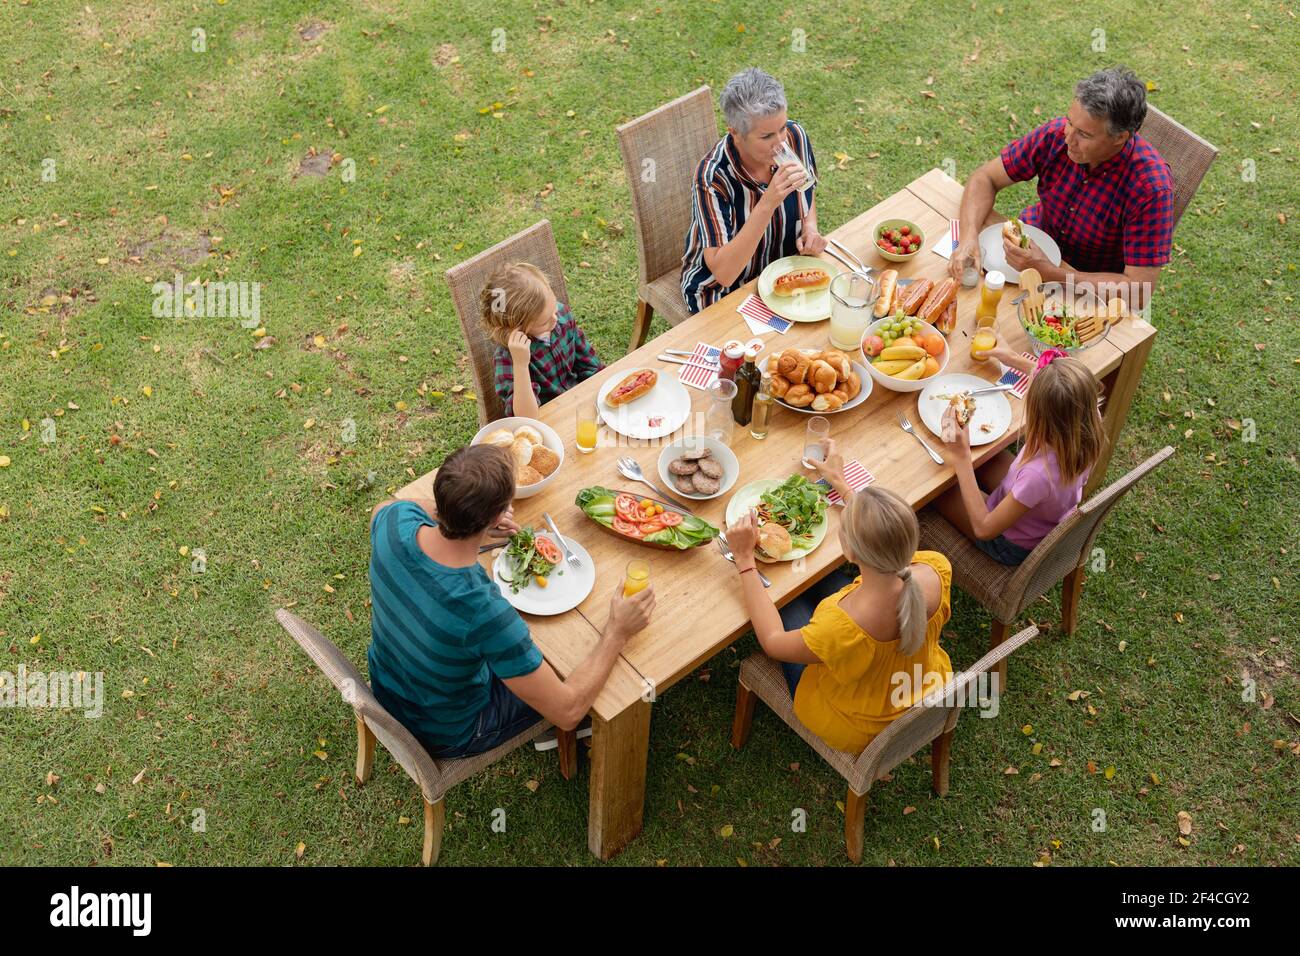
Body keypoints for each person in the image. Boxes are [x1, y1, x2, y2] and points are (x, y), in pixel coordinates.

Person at [366, 443, 654, 757]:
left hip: (388, 685)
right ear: (497, 515)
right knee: (567, 657)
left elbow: (379, 510)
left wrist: (460, 516)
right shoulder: (483, 610)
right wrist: (617, 632)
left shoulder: (393, 522)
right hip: (446, 730)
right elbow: (567, 711)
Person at [725, 450, 952, 754]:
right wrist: (842, 484)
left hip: (854, 719)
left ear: (850, 552)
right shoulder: (935, 568)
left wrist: (744, 560)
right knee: (813, 583)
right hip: (918, 686)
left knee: (784, 599)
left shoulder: (841, 626)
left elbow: (772, 641)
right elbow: (886, 537)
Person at [948, 66, 1174, 311]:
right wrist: (968, 238)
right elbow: (985, 178)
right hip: (1026, 249)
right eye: (1069, 122)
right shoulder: (1055, 135)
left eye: (1085, 134)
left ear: (1120, 137)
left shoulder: (1151, 189)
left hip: (1084, 288)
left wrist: (1049, 272)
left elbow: (1138, 291)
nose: (1068, 138)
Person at [932, 351, 1105, 566]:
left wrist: (962, 456)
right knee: (983, 458)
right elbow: (1048, 378)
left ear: (1041, 417)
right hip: (1041, 509)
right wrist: (1010, 358)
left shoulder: (1038, 476)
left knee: (935, 486)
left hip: (1006, 541)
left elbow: (984, 528)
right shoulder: (1087, 421)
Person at [680, 67, 828, 315]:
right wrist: (767, 203)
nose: (781, 141)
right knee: (764, 351)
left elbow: (806, 191)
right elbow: (724, 273)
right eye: (767, 136)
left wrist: (810, 227)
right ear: (735, 133)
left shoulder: (795, 136)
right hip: (724, 292)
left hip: (780, 272)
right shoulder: (713, 177)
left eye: (782, 127)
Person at [481, 262, 604, 418]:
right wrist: (521, 364)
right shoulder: (507, 358)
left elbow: (591, 366)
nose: (555, 319)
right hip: (548, 421)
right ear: (516, 328)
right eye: (543, 322)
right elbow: (526, 418)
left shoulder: (561, 315)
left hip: (581, 404)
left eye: (553, 309)